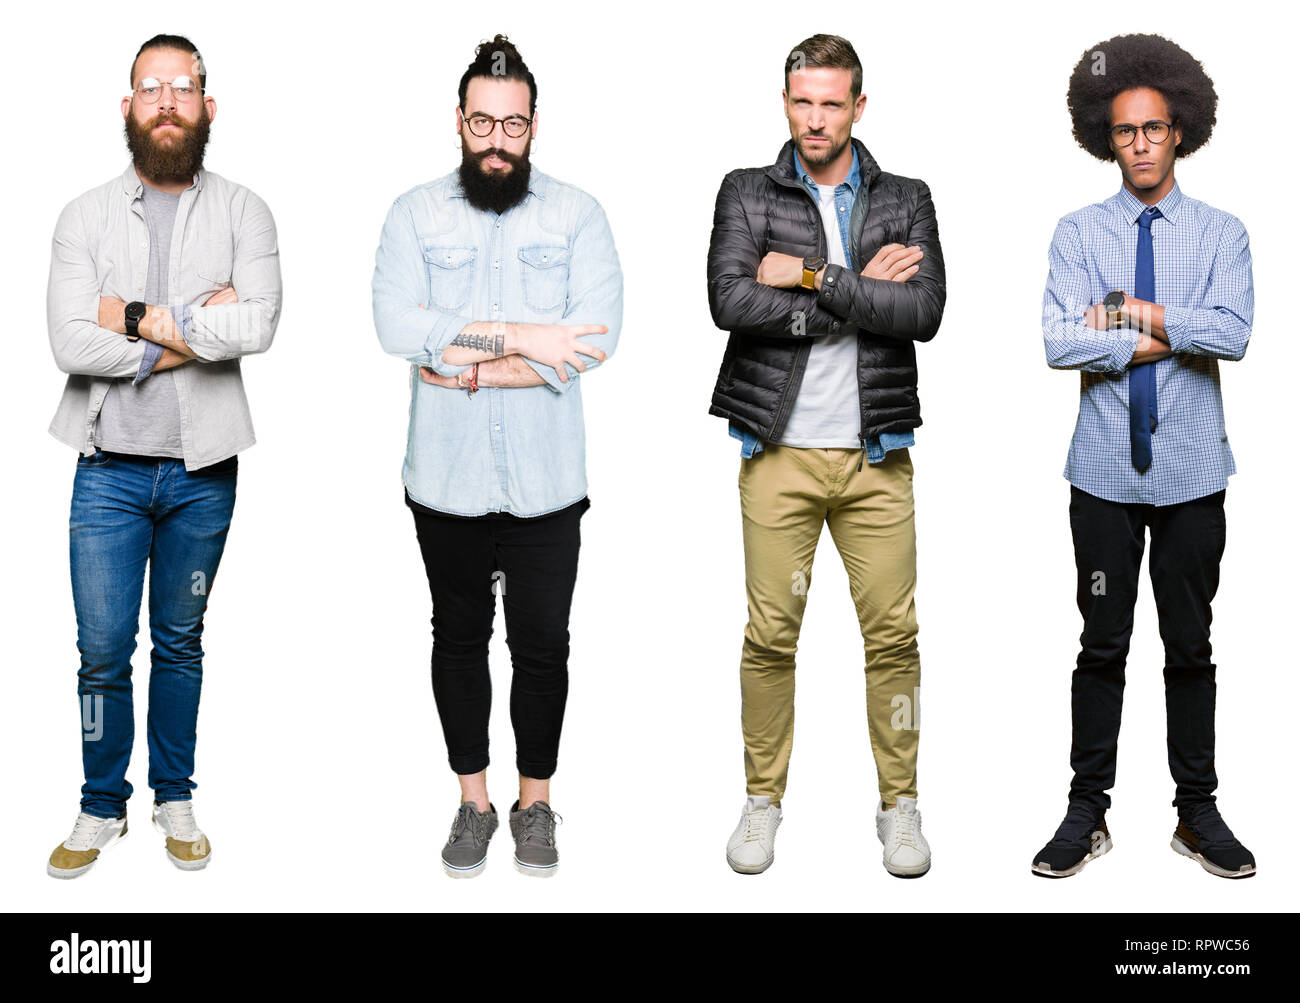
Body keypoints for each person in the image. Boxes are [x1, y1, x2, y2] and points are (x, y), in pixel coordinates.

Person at [372, 34, 622, 879]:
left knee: (544, 645)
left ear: (534, 127)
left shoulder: (577, 214)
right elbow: (395, 329)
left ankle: (536, 801)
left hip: (551, 482)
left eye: (512, 125)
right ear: (459, 120)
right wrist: (524, 342)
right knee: (458, 639)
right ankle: (474, 801)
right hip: (443, 480)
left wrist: (466, 363)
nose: (496, 139)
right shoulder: (414, 213)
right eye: (483, 120)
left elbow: (593, 341)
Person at [707, 34, 946, 876]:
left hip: (877, 456)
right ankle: (762, 799)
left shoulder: (907, 197)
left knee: (894, 635)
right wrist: (856, 286)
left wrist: (809, 277)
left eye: (831, 103)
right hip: (779, 453)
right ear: (785, 102)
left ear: (858, 106)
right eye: (801, 101)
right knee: (771, 634)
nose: (815, 119)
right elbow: (730, 300)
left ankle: (901, 804)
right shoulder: (746, 191)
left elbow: (921, 312)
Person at [46, 34, 281, 878]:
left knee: (181, 640)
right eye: (152, 87)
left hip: (202, 473)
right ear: (127, 106)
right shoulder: (84, 216)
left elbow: (256, 325)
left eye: (184, 87)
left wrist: (132, 314)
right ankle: (100, 802)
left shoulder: (245, 211)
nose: (168, 100)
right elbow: (69, 340)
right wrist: (189, 330)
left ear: (208, 106)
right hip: (106, 469)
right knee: (103, 648)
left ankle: (172, 792)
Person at [1034, 33, 1256, 879]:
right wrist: (1172, 328)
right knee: (1102, 645)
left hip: (1196, 472)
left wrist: (1126, 314)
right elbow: (1055, 343)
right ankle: (1085, 810)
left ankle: (1196, 812)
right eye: (1124, 131)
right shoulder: (1077, 231)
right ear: (1105, 134)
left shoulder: (1223, 233)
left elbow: (1232, 333)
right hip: (1101, 477)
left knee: (1190, 644)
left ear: (1179, 130)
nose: (1139, 144)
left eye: (1154, 129)